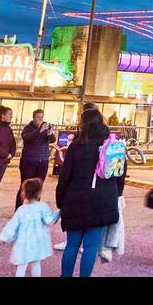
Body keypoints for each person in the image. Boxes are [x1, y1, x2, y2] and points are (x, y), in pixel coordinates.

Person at [55, 107, 124, 277]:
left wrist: (60, 200)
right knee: (91, 246)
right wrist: (116, 195)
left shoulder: (77, 146)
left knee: (72, 245)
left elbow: (65, 176)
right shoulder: (112, 145)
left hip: (75, 198)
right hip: (103, 199)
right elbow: (120, 175)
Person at [1, 177, 61, 277]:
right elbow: (49, 220)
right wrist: (58, 213)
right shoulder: (42, 207)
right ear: (39, 193)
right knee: (36, 264)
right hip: (38, 243)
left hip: (24, 244)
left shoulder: (21, 210)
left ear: (24, 193)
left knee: (22, 266)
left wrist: (5, 237)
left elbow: (12, 225)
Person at [16, 109, 54, 210]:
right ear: (34, 118)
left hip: (43, 161)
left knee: (38, 186)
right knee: (25, 185)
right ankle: (19, 209)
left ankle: (33, 209)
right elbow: (26, 138)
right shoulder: (28, 128)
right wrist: (39, 131)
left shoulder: (46, 127)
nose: (40, 119)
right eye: (38, 117)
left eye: (41, 117)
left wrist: (50, 133)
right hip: (29, 161)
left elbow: (52, 140)